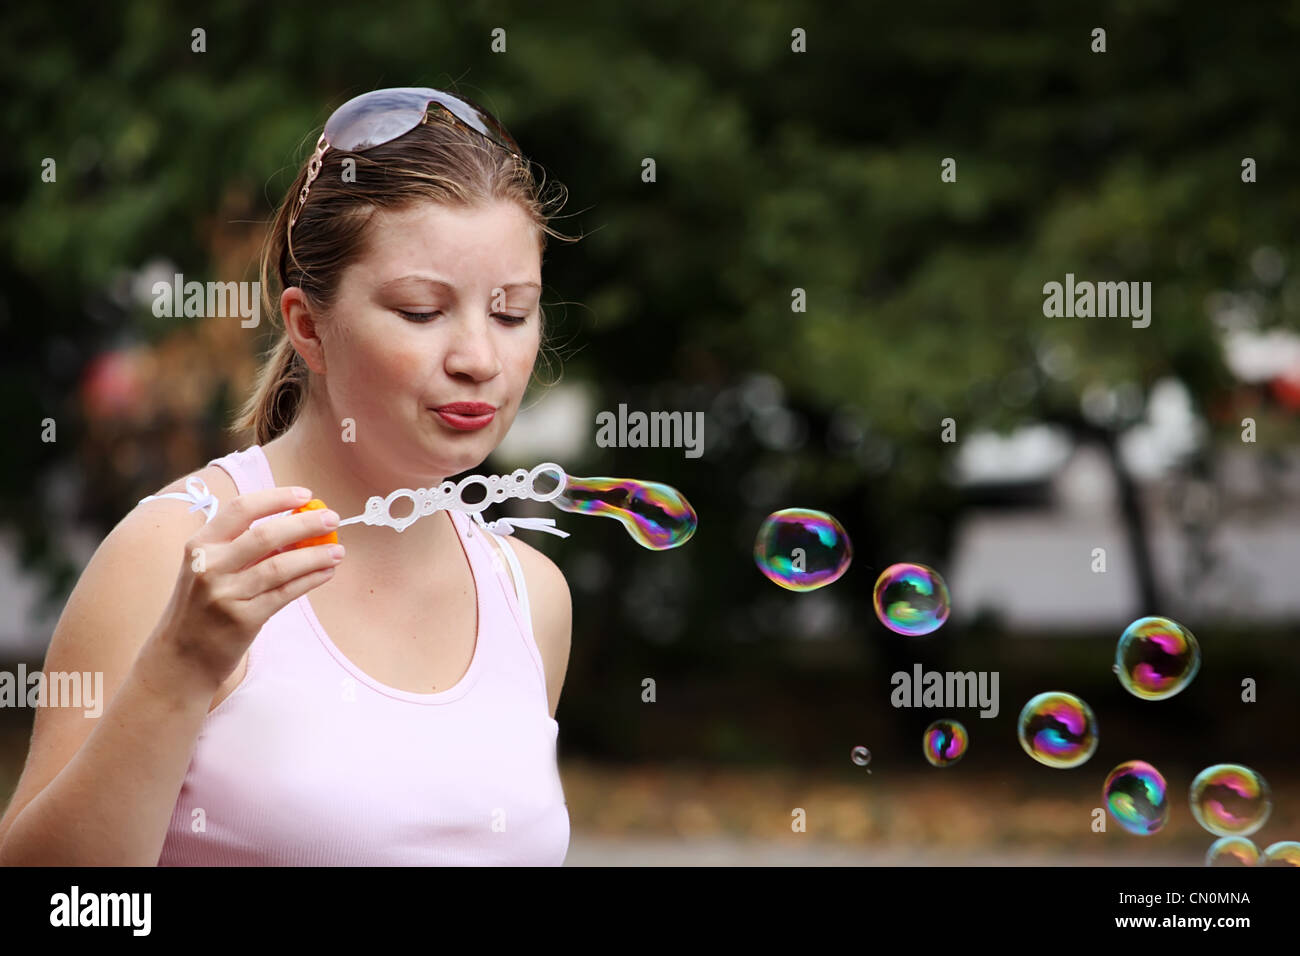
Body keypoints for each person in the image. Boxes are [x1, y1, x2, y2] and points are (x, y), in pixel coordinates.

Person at [0, 88, 579, 865]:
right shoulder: (177, 551)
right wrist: (180, 663)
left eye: (511, 313)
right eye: (419, 311)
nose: (479, 357)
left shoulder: (529, 595)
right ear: (309, 326)